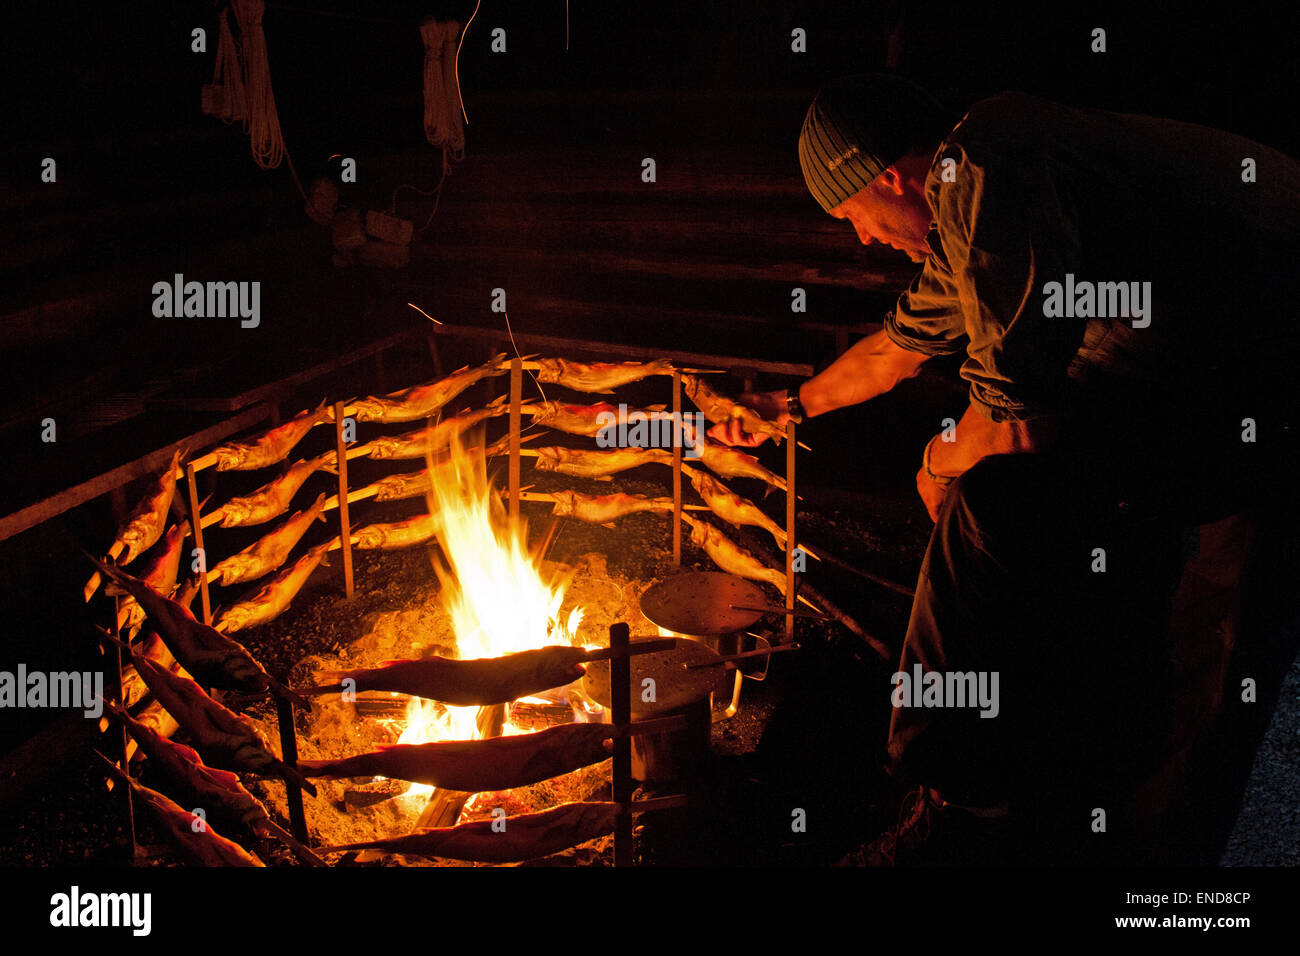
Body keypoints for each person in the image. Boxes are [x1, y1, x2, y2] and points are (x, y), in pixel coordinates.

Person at [711, 74, 1300, 864]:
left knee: (1222, 645)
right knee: (1141, 596)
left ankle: (1009, 818)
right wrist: (787, 409)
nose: (860, 238)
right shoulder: (974, 197)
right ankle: (1072, 797)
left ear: (887, 174)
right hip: (1210, 368)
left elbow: (1023, 419)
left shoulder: (990, 163)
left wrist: (939, 459)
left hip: (1263, 363)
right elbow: (893, 352)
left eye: (852, 214)